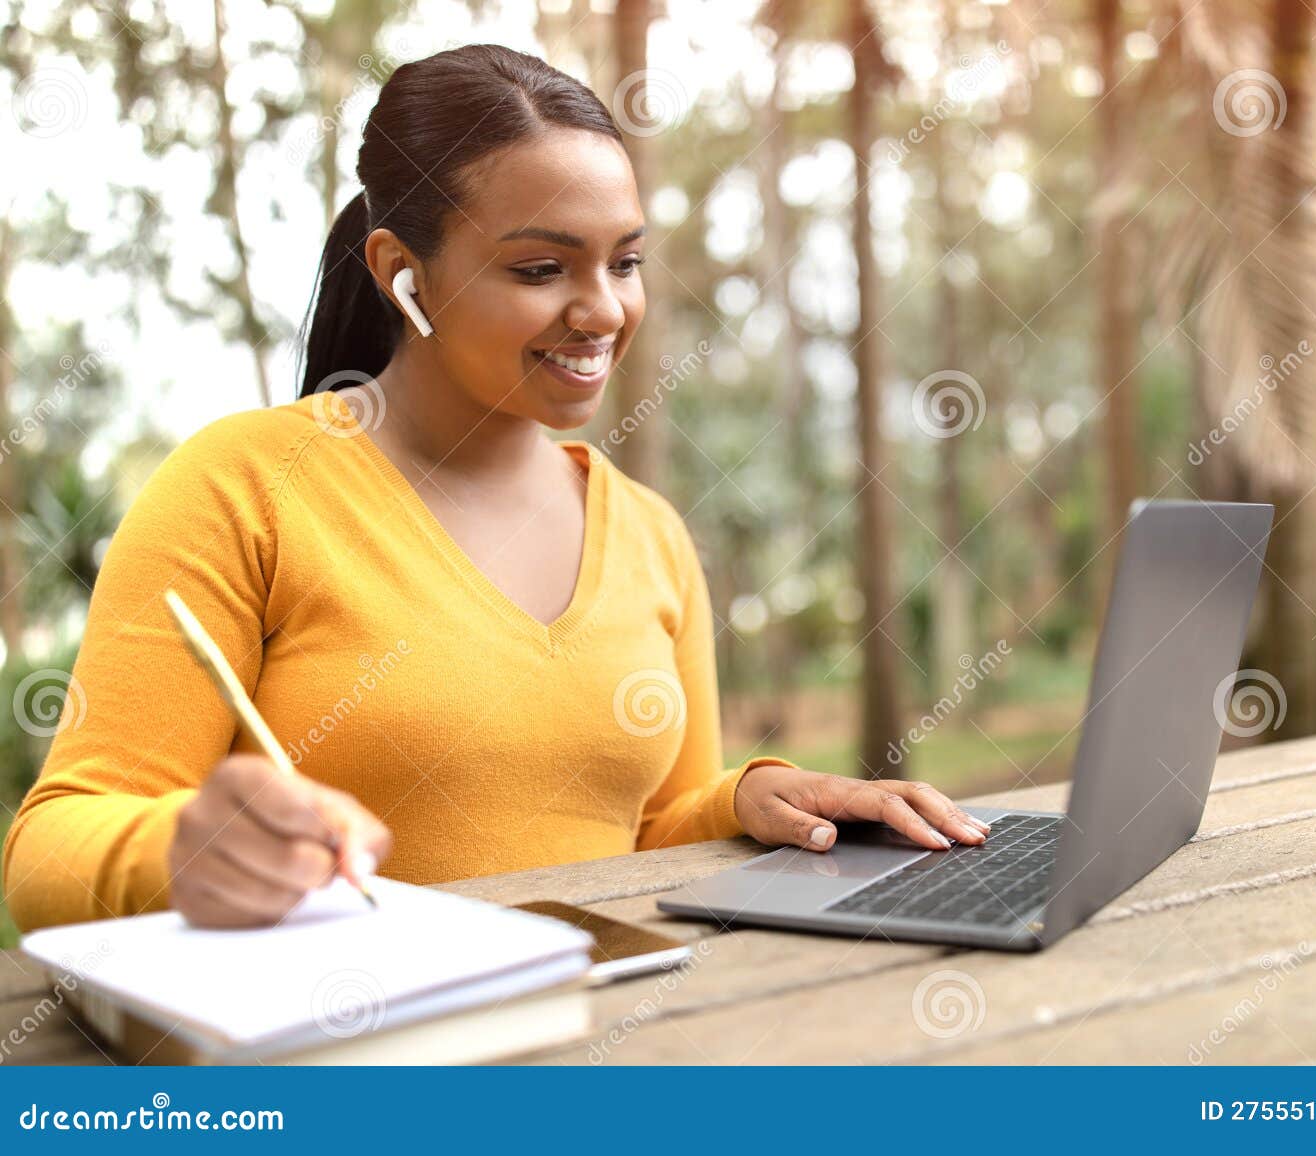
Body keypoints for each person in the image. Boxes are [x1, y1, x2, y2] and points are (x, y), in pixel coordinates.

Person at [2, 44, 987, 933]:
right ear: (403, 275)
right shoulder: (241, 489)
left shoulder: (646, 532)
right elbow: (47, 850)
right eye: (541, 266)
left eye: (627, 261)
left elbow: (646, 829)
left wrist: (751, 797)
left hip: (609, 1041)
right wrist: (178, 850)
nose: (602, 308)